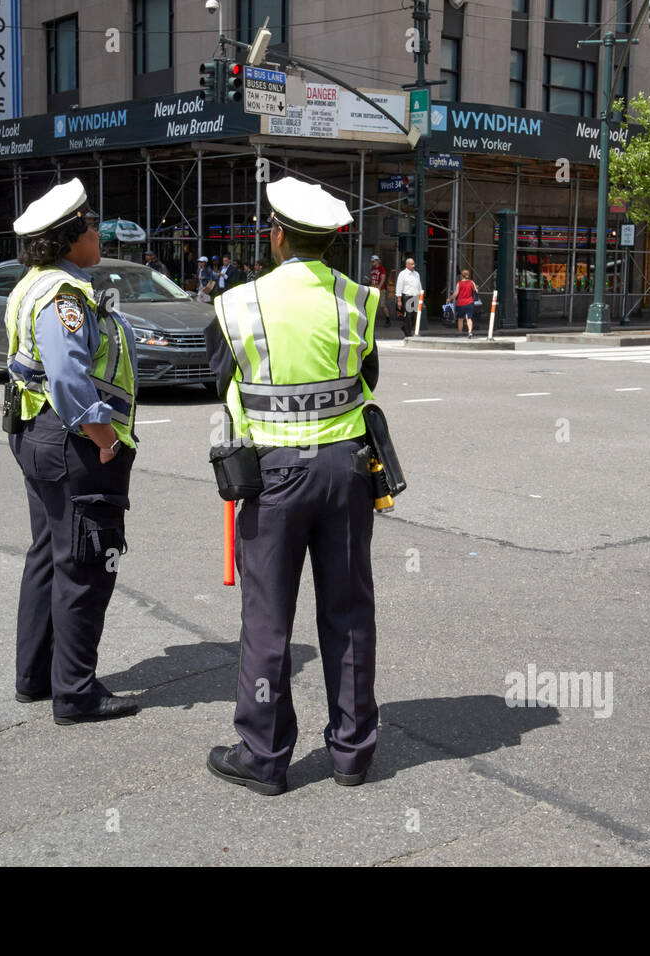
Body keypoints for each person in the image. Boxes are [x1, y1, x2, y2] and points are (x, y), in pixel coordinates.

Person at [204, 176, 381, 795]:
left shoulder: (237, 304)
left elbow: (218, 374)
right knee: (349, 609)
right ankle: (353, 752)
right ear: (330, 241)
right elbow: (368, 375)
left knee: (267, 617)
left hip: (274, 474)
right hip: (347, 469)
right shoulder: (358, 298)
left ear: (276, 236)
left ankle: (264, 757)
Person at [4, 177, 140, 725]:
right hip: (74, 444)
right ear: (68, 236)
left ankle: (36, 677)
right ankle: (76, 693)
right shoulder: (64, 294)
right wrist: (102, 434)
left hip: (37, 436)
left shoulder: (33, 283)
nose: (97, 231)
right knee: (85, 562)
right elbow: (67, 375)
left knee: (48, 554)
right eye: (90, 224)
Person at [446, 268, 479, 338]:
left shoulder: (459, 283)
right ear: (468, 275)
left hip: (461, 303)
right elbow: (476, 291)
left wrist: (450, 298)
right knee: (469, 318)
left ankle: (460, 333)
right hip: (470, 302)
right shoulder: (471, 282)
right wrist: (476, 287)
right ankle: (470, 332)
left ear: (462, 275)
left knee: (460, 319)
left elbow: (456, 294)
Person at [396, 257, 423, 336]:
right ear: (407, 265)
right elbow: (399, 286)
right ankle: (408, 333)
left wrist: (421, 297)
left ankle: (406, 328)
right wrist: (399, 300)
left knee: (414, 316)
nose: (413, 265)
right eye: (411, 264)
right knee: (408, 315)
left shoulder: (417, 274)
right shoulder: (402, 274)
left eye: (414, 264)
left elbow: (419, 286)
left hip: (415, 297)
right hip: (407, 296)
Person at [369, 254, 389, 327]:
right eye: (371, 262)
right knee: (372, 305)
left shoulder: (381, 268)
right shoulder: (372, 269)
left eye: (373, 261)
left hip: (380, 289)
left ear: (377, 261)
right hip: (373, 289)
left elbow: (383, 279)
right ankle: (372, 320)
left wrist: (379, 287)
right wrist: (370, 283)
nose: (372, 263)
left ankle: (388, 319)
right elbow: (372, 279)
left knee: (382, 305)